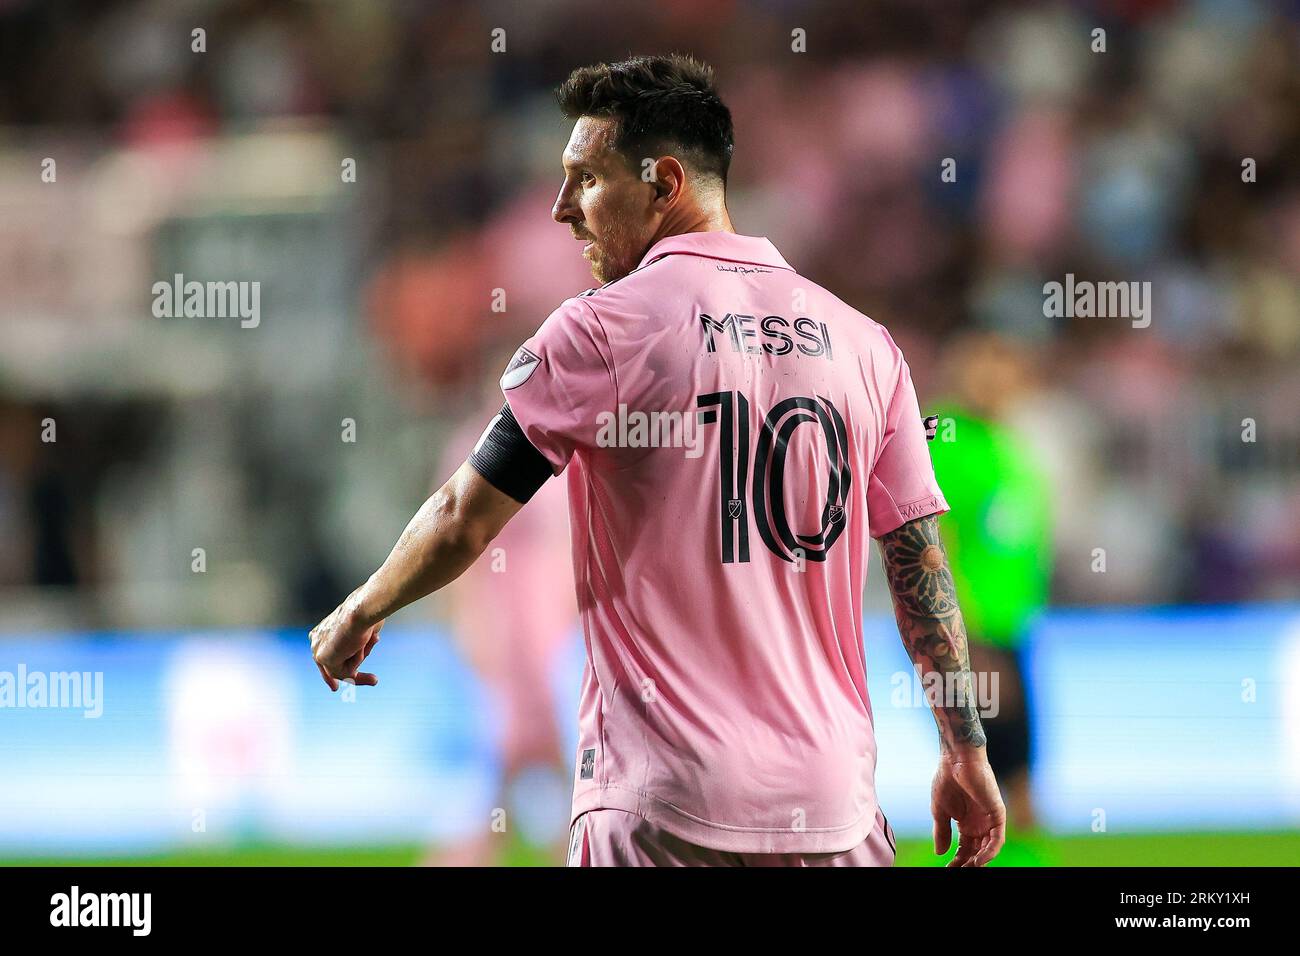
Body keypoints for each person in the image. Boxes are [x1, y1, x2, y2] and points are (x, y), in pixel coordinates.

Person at [310, 54, 1005, 867]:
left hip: (659, 808)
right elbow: (919, 565)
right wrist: (965, 749)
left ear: (663, 181)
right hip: (831, 812)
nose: (563, 208)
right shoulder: (865, 347)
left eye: (585, 180)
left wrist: (362, 608)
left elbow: (465, 519)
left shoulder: (602, 332)